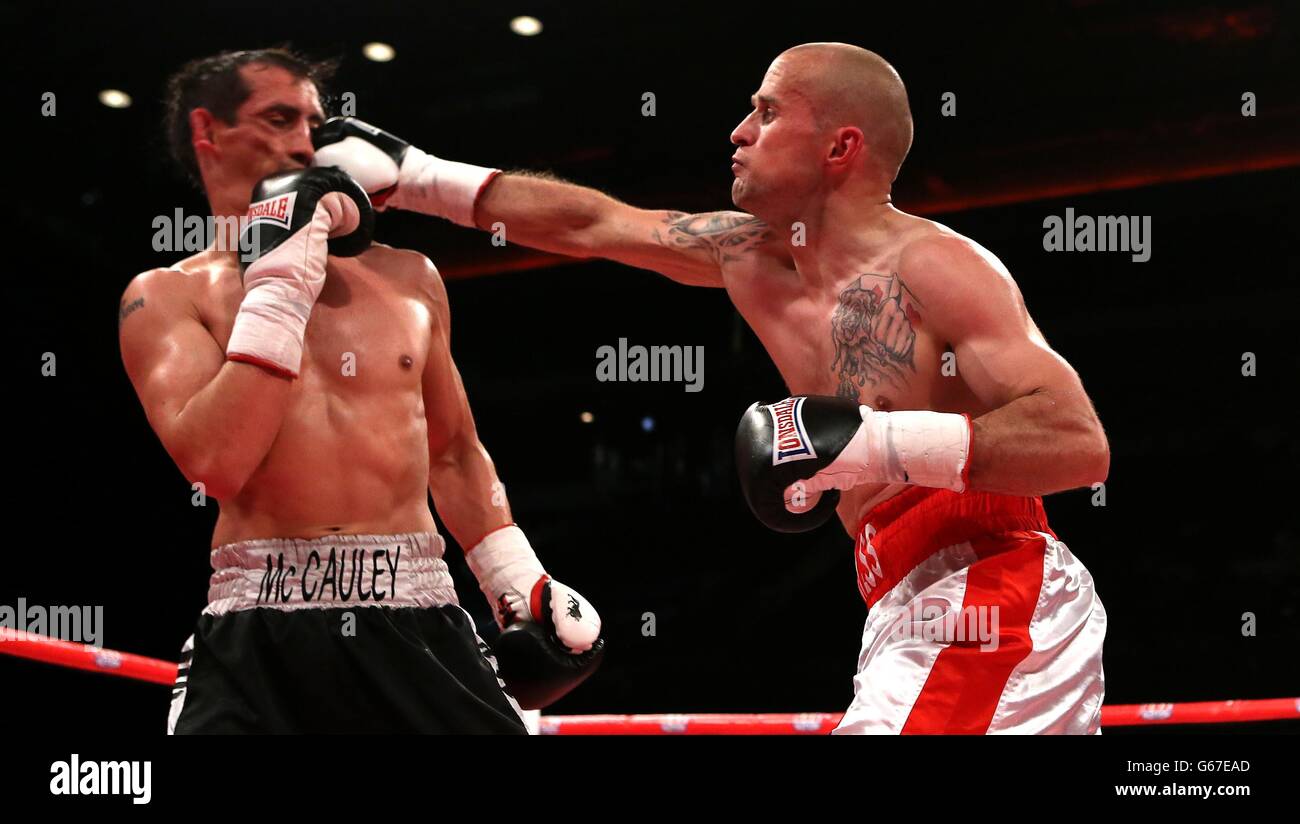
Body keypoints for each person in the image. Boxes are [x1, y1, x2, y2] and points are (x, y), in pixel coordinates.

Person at [314, 41, 1108, 734]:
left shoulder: (935, 267)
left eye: (766, 112)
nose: (738, 131)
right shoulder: (748, 256)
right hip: (902, 598)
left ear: (841, 146)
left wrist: (876, 443)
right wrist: (416, 178)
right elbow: (594, 223)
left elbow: (1078, 446)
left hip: (994, 583)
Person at [118, 48, 600, 734]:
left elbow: (456, 453)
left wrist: (515, 579)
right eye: (278, 117)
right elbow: (216, 461)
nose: (303, 141)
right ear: (209, 132)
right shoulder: (165, 296)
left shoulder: (409, 276)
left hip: (416, 610)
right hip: (262, 619)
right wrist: (282, 280)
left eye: (313, 121)